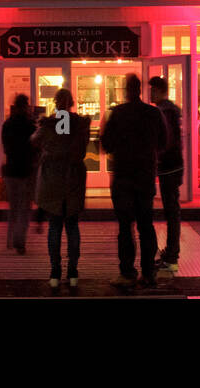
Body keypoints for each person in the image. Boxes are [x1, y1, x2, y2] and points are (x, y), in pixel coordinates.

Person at [100, 72, 167, 287]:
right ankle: (148, 272)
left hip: (123, 177)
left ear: (125, 90)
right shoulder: (153, 113)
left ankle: (127, 272)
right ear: (140, 90)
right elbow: (164, 142)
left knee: (125, 227)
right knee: (146, 225)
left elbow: (106, 145)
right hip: (145, 176)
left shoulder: (117, 114)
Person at [31, 88, 90, 291]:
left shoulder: (48, 124)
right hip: (73, 179)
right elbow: (82, 148)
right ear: (72, 102)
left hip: (53, 180)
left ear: (55, 103)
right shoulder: (80, 125)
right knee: (72, 226)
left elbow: (34, 141)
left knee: (55, 227)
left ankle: (55, 272)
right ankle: (73, 271)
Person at [149, 76, 183, 273]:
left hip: (169, 166)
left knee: (171, 211)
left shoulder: (164, 112)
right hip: (173, 165)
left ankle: (171, 256)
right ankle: (171, 253)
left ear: (161, 91)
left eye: (153, 90)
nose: (151, 94)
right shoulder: (170, 110)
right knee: (172, 210)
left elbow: (166, 140)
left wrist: (157, 156)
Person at [1, 93, 36, 254]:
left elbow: (5, 147)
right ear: (26, 106)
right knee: (24, 208)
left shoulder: (7, 124)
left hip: (10, 170)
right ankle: (19, 240)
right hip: (25, 170)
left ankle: (9, 239)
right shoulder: (29, 125)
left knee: (13, 207)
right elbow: (34, 146)